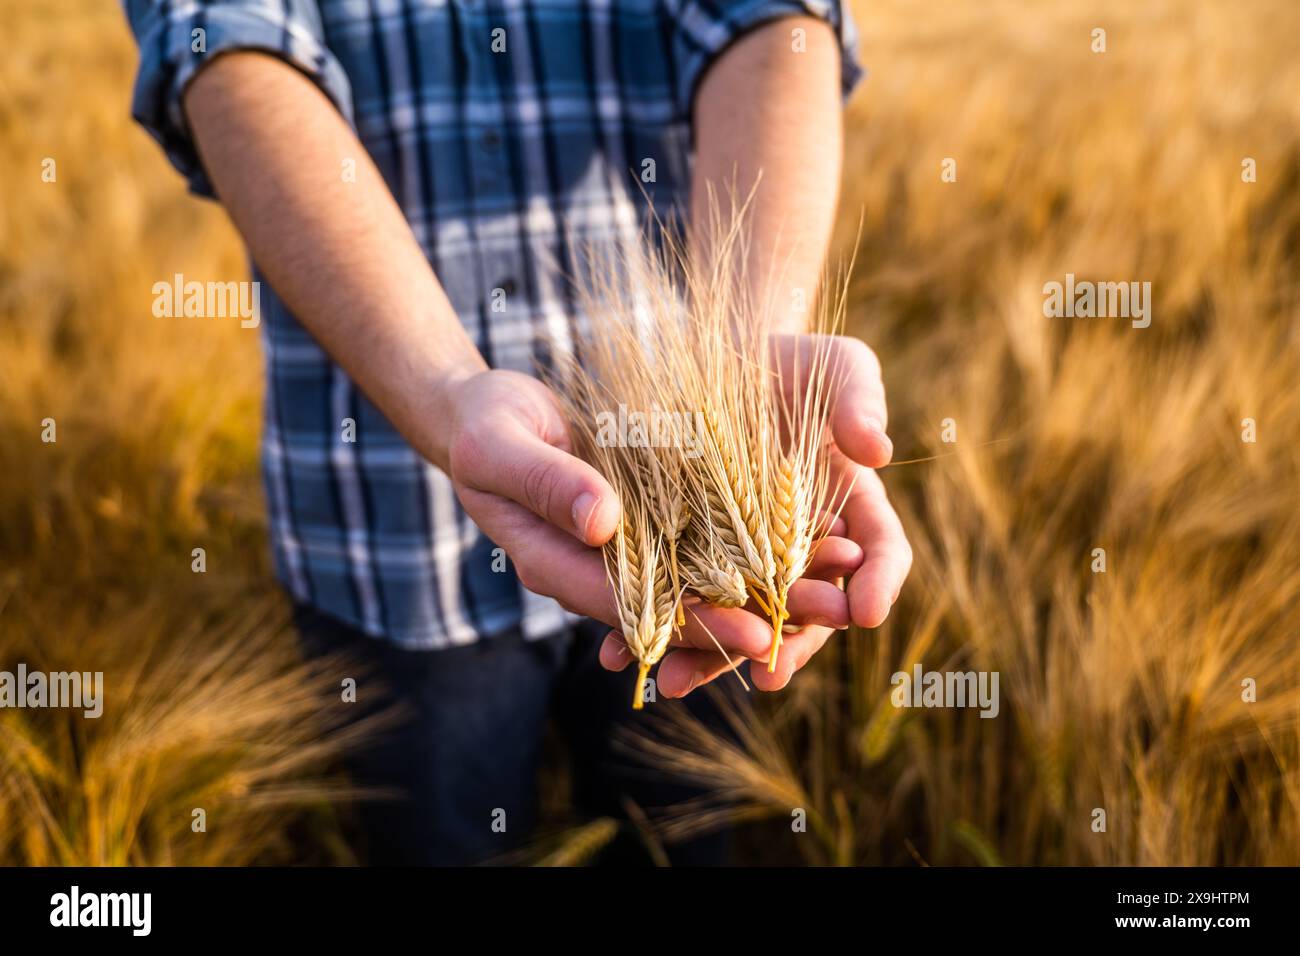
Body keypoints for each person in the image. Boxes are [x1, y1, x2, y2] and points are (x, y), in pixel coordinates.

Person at [123, 0, 911, 865]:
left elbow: (769, 18)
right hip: (395, 534)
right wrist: (447, 392)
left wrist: (746, 362)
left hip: (697, 517)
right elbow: (227, 44)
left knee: (677, 833)